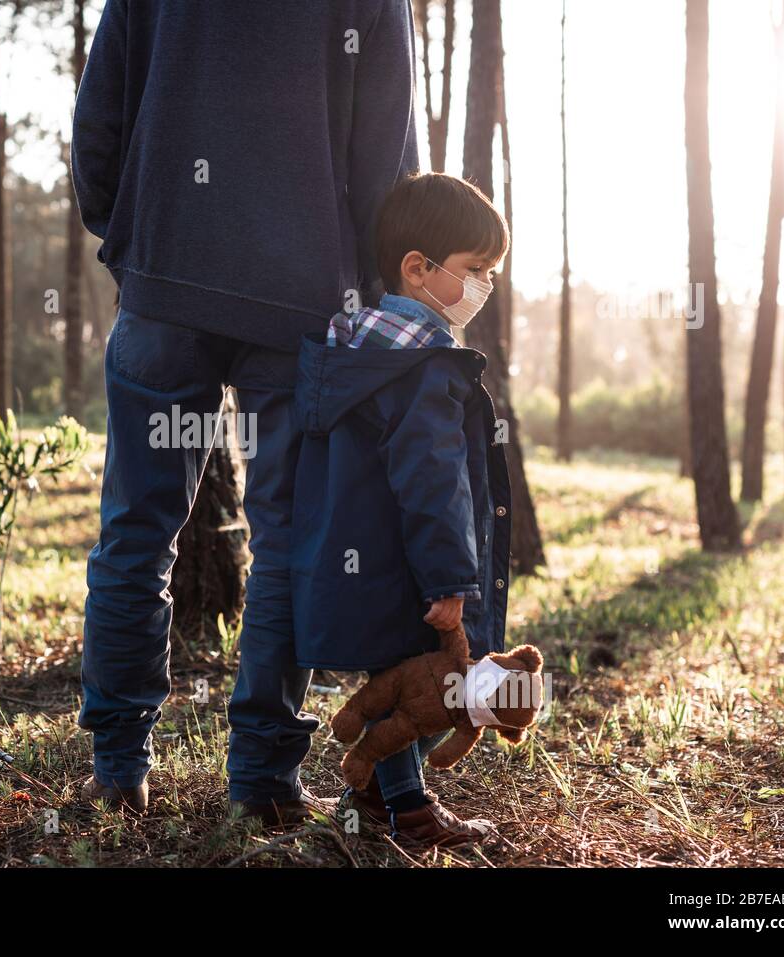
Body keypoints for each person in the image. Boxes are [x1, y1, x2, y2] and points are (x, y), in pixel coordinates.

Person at [71, 0, 420, 826]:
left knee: (134, 533)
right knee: (291, 541)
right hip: (301, 301)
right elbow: (386, 158)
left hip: (164, 287)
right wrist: (371, 292)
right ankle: (263, 779)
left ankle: (119, 769)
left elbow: (99, 122)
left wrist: (134, 242)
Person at [289, 171, 513, 845]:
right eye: (477, 270)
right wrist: (450, 580)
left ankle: (374, 803)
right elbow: (433, 479)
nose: (486, 286)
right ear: (418, 268)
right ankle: (407, 807)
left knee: (393, 684)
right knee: (422, 687)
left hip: (365, 557)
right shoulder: (425, 367)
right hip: (413, 568)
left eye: (494, 273)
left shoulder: (355, 351)